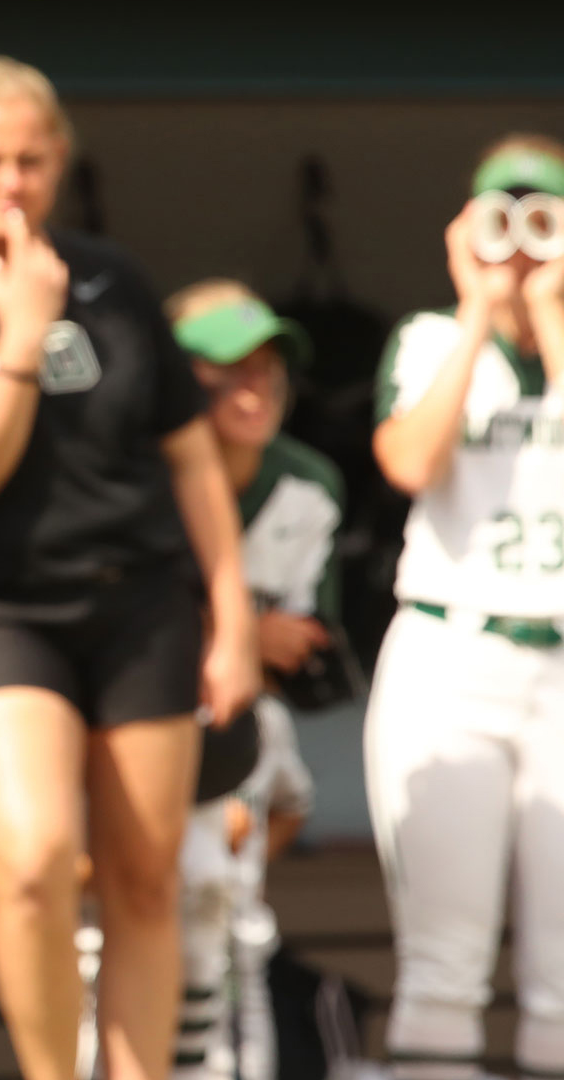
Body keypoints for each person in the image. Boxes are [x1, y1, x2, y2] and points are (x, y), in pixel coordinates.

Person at [0, 57, 259, 1080]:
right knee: (29, 865)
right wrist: (19, 333)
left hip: (143, 605)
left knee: (146, 881)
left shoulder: (115, 277)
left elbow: (191, 457)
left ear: (61, 156)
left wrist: (230, 615)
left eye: (30, 158)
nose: (10, 182)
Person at [366, 134, 564, 1080]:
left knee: (563, 978)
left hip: (561, 662)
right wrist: (480, 309)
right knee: (443, 965)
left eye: (545, 214)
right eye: (504, 215)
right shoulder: (432, 337)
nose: (523, 239)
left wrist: (552, 314)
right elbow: (410, 462)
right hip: (454, 650)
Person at [165, 279, 331, 1080]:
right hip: (135, 725)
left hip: (240, 735)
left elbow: (304, 649)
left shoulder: (309, 485)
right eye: (229, 366)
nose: (254, 385)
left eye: (268, 365)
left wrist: (248, 642)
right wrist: (235, 631)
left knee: (230, 932)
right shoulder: (132, 473)